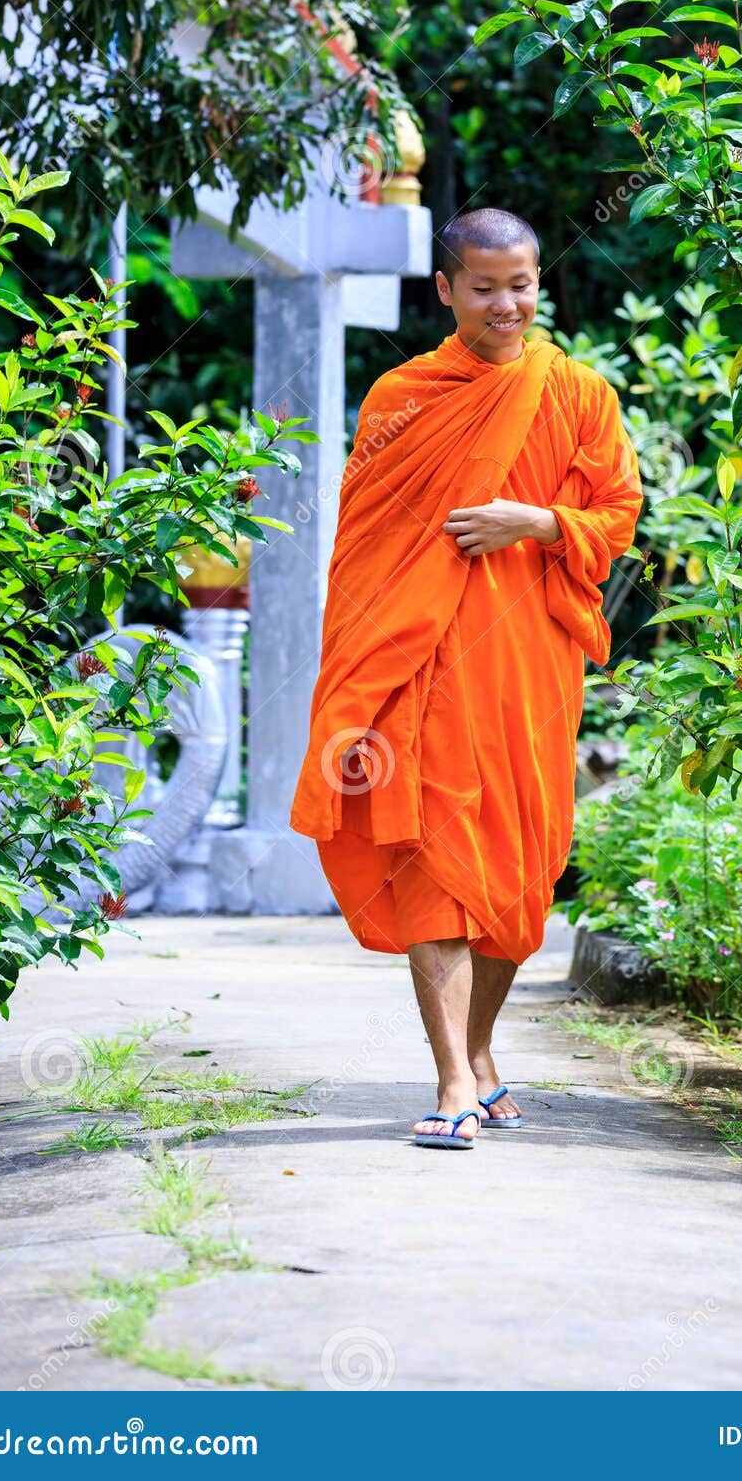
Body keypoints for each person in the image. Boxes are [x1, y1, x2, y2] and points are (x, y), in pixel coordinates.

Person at [289, 207, 643, 1147]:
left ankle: (480, 1054)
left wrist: (536, 522)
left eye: (520, 285)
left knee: (522, 871)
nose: (505, 305)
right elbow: (366, 550)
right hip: (427, 666)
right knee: (435, 859)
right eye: (483, 288)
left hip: (530, 665)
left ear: (539, 282)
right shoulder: (403, 396)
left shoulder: (578, 395)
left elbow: (615, 514)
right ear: (445, 290)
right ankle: (451, 1080)